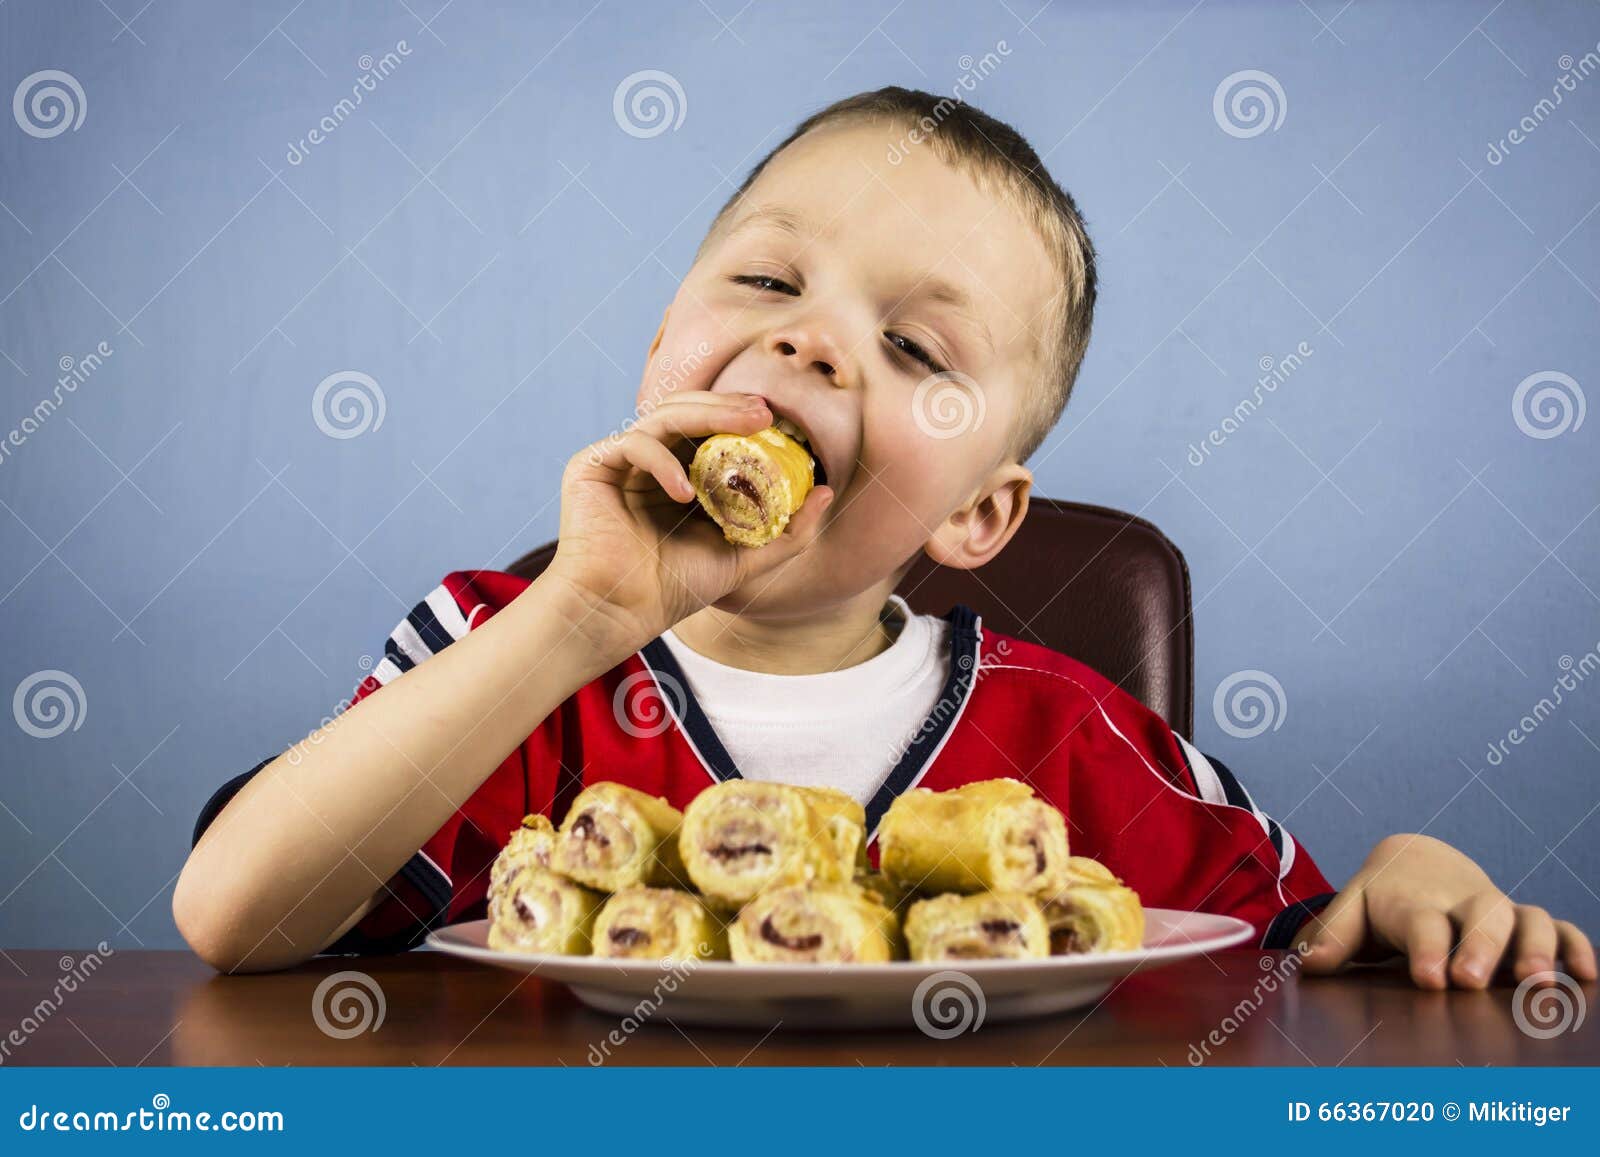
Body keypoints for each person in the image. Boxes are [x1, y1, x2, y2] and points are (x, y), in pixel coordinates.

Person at [174, 87, 1595, 988]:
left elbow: (1297, 935)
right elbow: (233, 914)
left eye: (913, 345)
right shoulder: (500, 653)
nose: (813, 337)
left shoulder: (1073, 740)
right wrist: (576, 617)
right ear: (665, 348)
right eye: (770, 278)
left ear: (982, 509)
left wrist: (1414, 874)